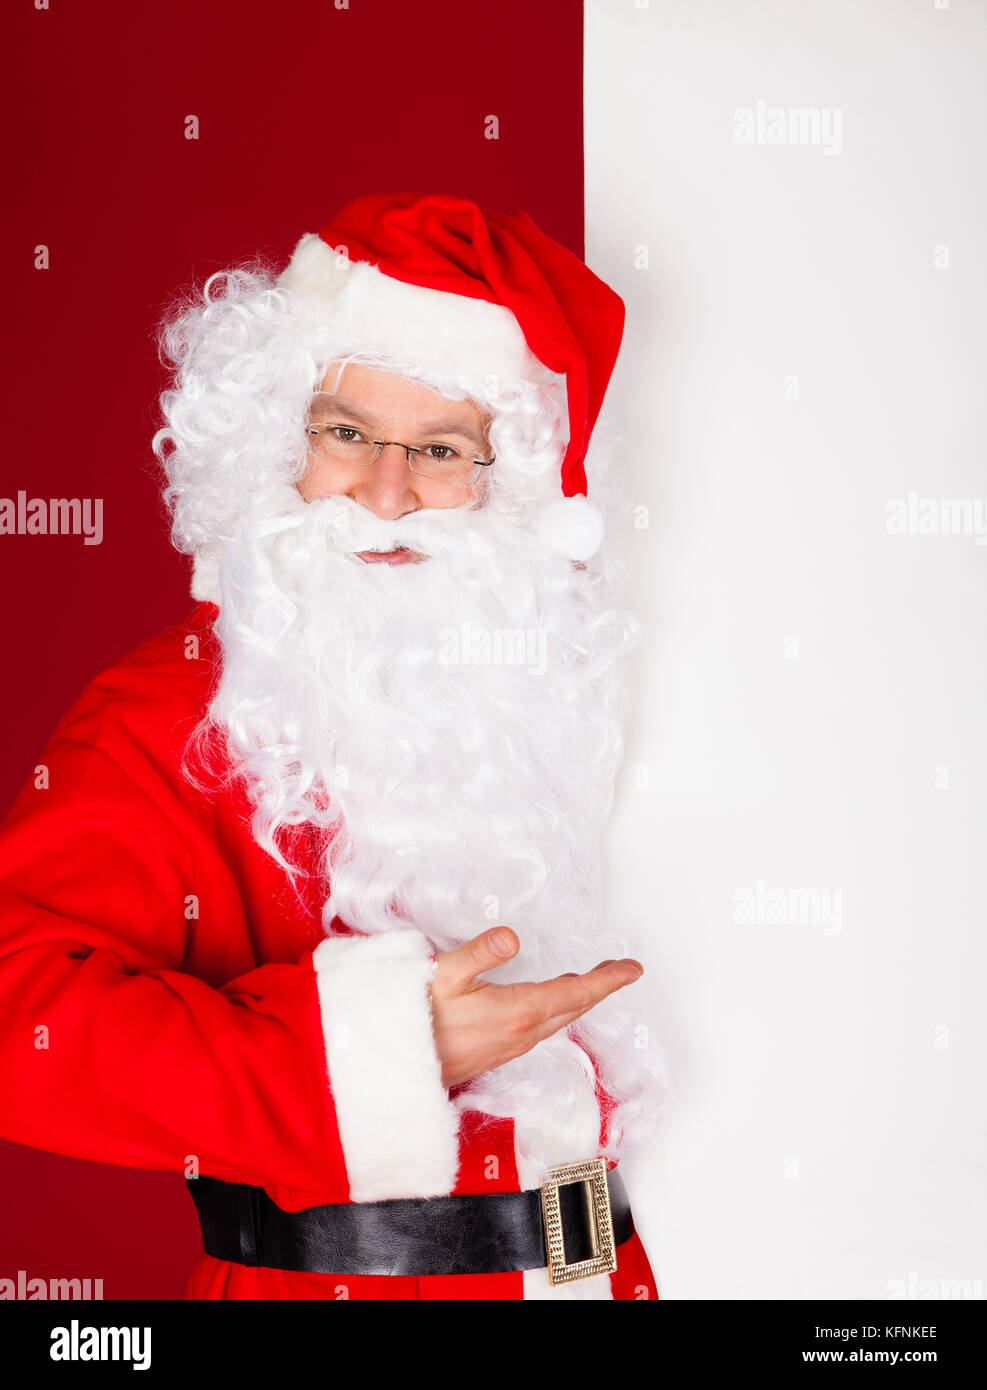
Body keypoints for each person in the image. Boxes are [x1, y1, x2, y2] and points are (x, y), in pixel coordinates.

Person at [0, 192, 665, 1300]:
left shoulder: (573, 690)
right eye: (347, 432)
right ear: (276, 441)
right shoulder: (172, 710)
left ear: (508, 489)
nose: (387, 493)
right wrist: (362, 1057)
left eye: (442, 448)